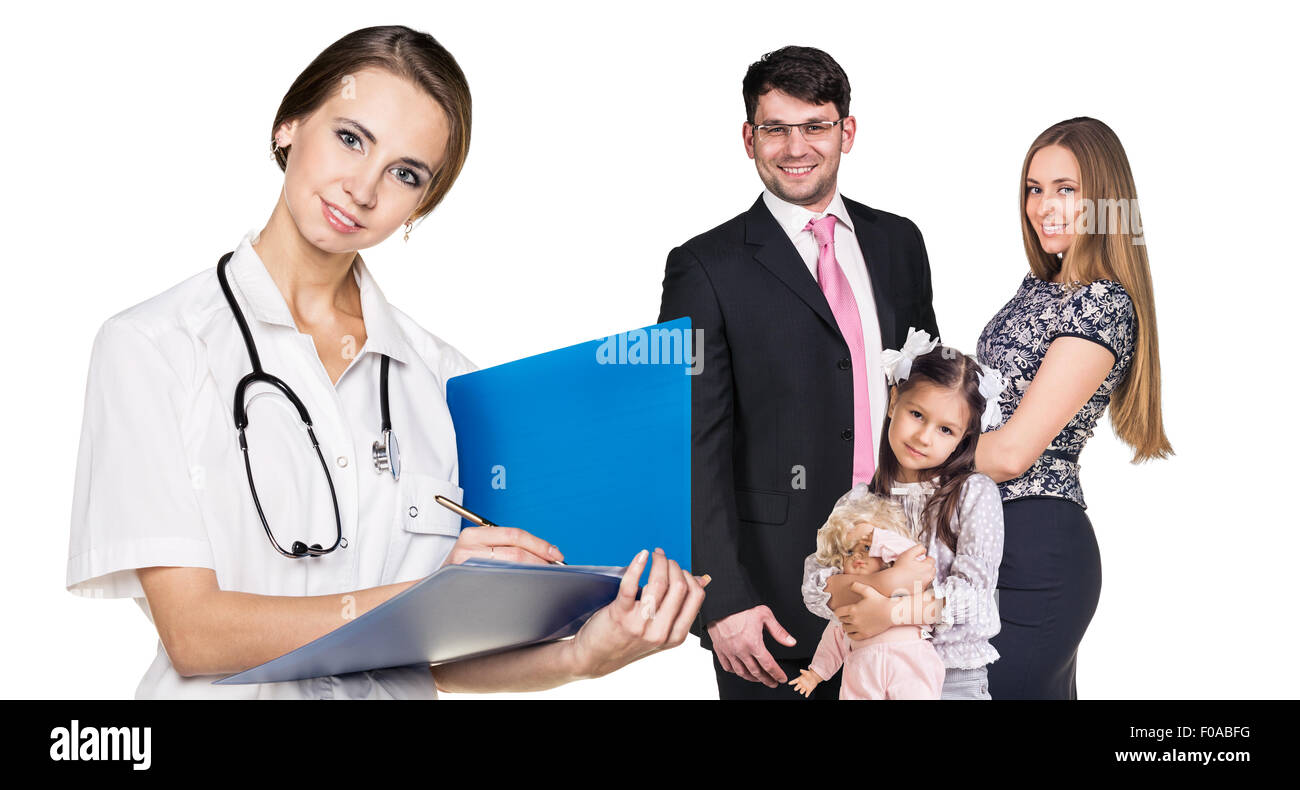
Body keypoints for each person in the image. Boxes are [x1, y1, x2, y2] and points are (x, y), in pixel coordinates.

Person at [65, 25, 705, 699]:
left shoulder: (446, 382)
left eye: (405, 174)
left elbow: (438, 657)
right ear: (289, 125)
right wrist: (423, 595)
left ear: (419, 204)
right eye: (350, 138)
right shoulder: (154, 346)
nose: (363, 189)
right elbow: (196, 636)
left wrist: (582, 655)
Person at [658, 45, 940, 700]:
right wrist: (721, 600)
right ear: (749, 137)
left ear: (846, 131)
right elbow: (690, 444)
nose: (795, 147)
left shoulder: (899, 243)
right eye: (776, 129)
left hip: (908, 573)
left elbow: (930, 398)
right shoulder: (705, 267)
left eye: (814, 126)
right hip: (775, 598)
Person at [973, 116, 1172, 699]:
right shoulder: (1038, 289)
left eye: (1066, 189)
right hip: (985, 538)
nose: (1043, 207)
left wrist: (904, 455)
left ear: (1107, 202)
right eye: (1035, 189)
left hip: (1038, 544)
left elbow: (1010, 452)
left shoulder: (1101, 304)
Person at [802, 332, 1006, 700]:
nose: (925, 436)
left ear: (963, 438)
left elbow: (974, 598)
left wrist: (891, 614)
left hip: (952, 679)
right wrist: (894, 579)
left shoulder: (974, 495)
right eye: (917, 414)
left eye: (946, 429)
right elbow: (819, 586)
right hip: (868, 677)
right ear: (894, 400)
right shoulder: (859, 501)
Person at [788, 492, 945, 700]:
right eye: (849, 552)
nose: (859, 556)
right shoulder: (847, 602)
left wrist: (876, 536)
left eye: (867, 548)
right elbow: (831, 644)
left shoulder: (908, 587)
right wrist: (816, 674)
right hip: (862, 669)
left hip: (910, 662)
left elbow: (910, 551)